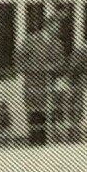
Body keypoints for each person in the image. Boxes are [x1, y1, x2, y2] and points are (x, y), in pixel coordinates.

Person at [16, 16, 68, 145]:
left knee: (47, 116)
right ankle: (34, 146)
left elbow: (61, 63)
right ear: (48, 26)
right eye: (55, 27)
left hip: (49, 86)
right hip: (33, 84)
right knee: (34, 117)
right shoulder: (31, 40)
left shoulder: (58, 44)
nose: (58, 30)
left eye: (58, 28)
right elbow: (18, 59)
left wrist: (52, 67)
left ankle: (44, 147)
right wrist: (33, 69)